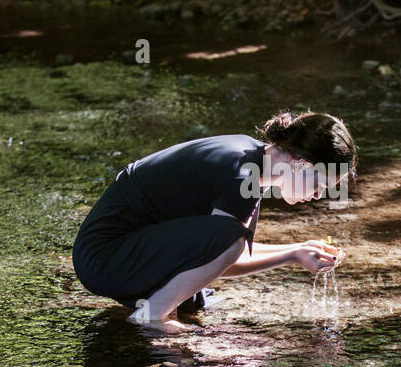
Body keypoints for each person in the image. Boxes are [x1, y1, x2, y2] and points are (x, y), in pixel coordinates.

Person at [72, 110, 357, 333]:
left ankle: (158, 309)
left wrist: (296, 252)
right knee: (230, 237)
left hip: (116, 256)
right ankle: (150, 318)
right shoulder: (241, 174)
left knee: (200, 290)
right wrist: (289, 255)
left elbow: (220, 255)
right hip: (104, 259)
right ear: (298, 162)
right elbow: (227, 253)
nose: (318, 195)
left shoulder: (251, 159)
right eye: (319, 183)